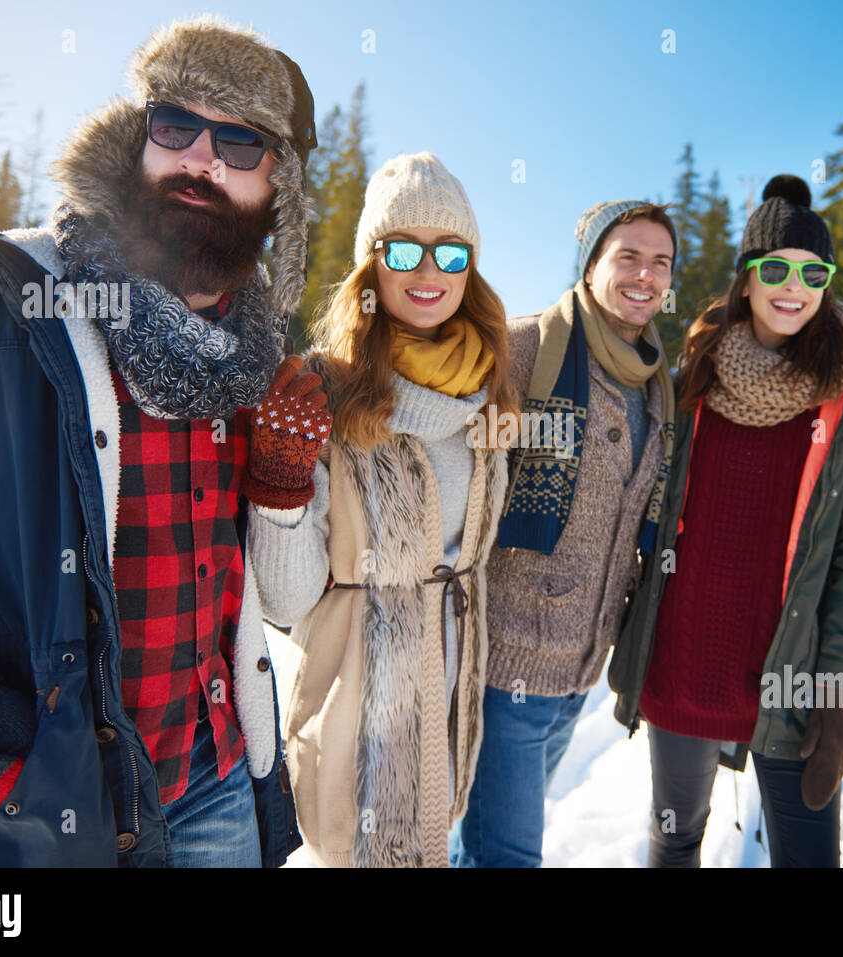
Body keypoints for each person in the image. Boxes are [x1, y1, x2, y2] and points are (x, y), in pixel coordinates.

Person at [0, 16, 326, 867]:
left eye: (240, 141)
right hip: (41, 800)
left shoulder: (263, 360)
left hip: (216, 783)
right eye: (176, 125)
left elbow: (285, 605)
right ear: (137, 139)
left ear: (281, 190)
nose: (200, 156)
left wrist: (282, 484)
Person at [608, 174, 843, 867]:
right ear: (746, 279)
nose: (792, 285)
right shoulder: (691, 378)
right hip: (684, 653)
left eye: (813, 272)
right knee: (676, 834)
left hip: (793, 677)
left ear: (828, 283)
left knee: (807, 856)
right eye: (774, 267)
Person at [270, 152, 518, 867]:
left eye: (451, 252)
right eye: (402, 249)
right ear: (370, 266)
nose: (428, 271)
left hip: (451, 713)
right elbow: (285, 596)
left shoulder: (489, 392)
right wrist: (281, 486)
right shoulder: (323, 389)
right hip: (356, 719)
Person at [451, 201, 678, 867]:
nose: (645, 274)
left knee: (488, 845)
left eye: (659, 262)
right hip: (509, 661)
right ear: (590, 266)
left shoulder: (658, 380)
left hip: (582, 664)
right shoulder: (527, 349)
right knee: (512, 854)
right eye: (627, 257)